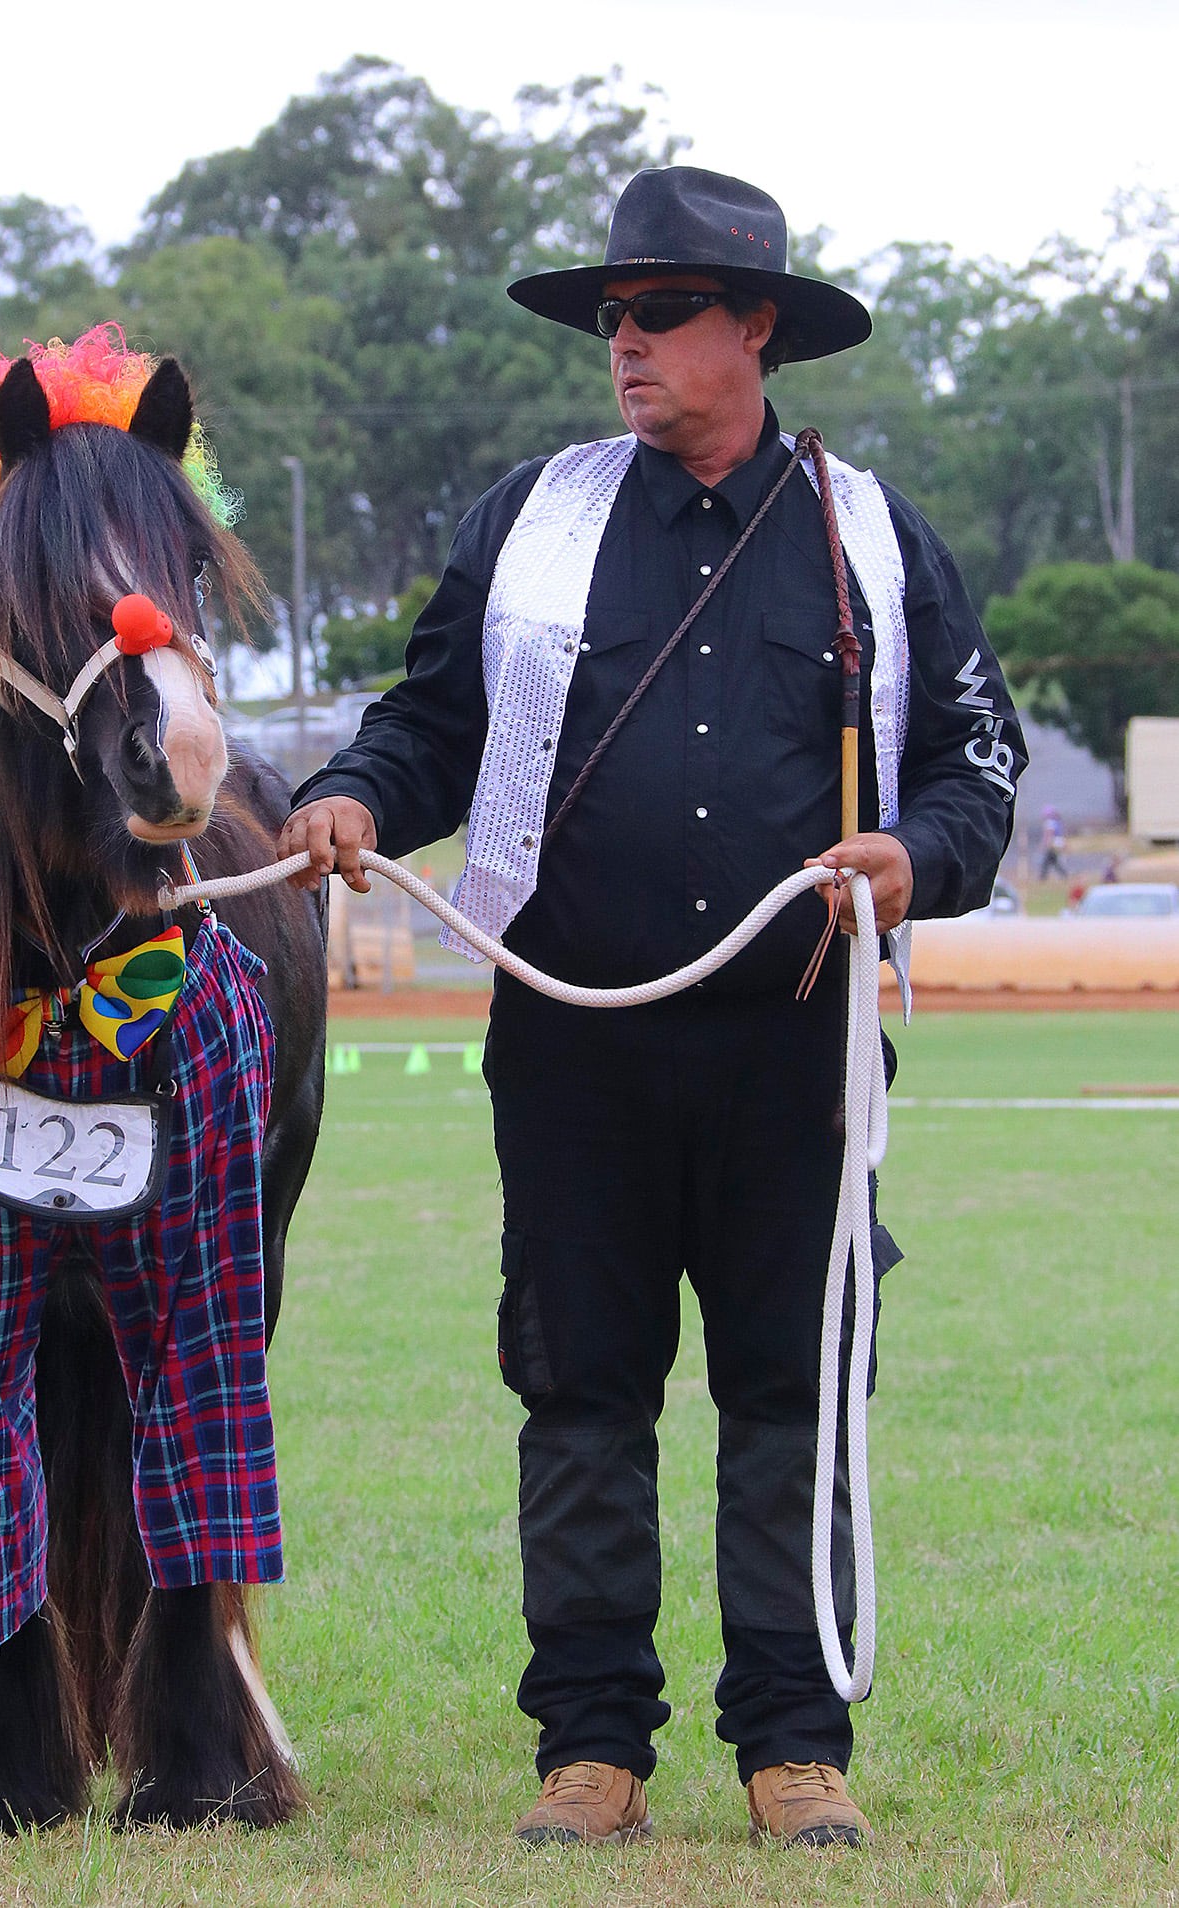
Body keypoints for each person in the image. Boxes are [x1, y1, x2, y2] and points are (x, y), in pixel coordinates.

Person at [279, 166, 1025, 1848]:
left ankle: (792, 1745)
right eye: (611, 316)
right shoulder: (525, 523)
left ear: (755, 330)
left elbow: (979, 765)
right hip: (574, 1046)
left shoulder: (878, 542)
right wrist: (348, 796)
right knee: (581, 1394)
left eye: (662, 313)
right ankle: (591, 1746)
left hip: (799, 1049)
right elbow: (429, 724)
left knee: (792, 1396)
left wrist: (919, 851)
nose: (625, 344)